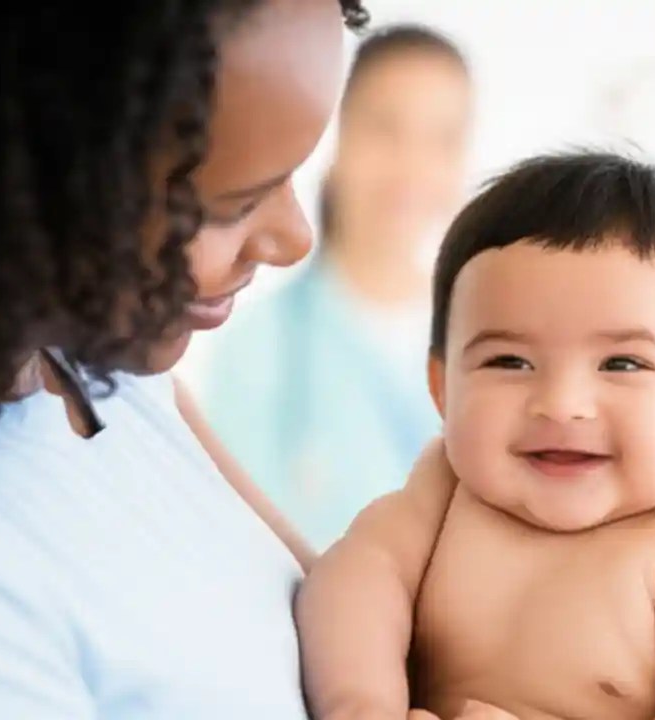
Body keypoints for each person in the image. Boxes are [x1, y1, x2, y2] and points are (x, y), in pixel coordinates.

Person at [0, 2, 655, 718]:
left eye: (624, 363)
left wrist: (622, 496)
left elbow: (332, 592)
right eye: (232, 198)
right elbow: (355, 580)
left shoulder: (113, 377)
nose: (296, 235)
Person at [298, 151, 655, 719]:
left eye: (623, 364)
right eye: (509, 361)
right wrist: (361, 700)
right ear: (443, 387)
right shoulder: (443, 494)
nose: (562, 404)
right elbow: (352, 580)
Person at [200, 23, 472, 549]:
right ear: (337, 133)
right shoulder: (261, 346)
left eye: (442, 138)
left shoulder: (488, 336)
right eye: (386, 129)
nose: (411, 165)